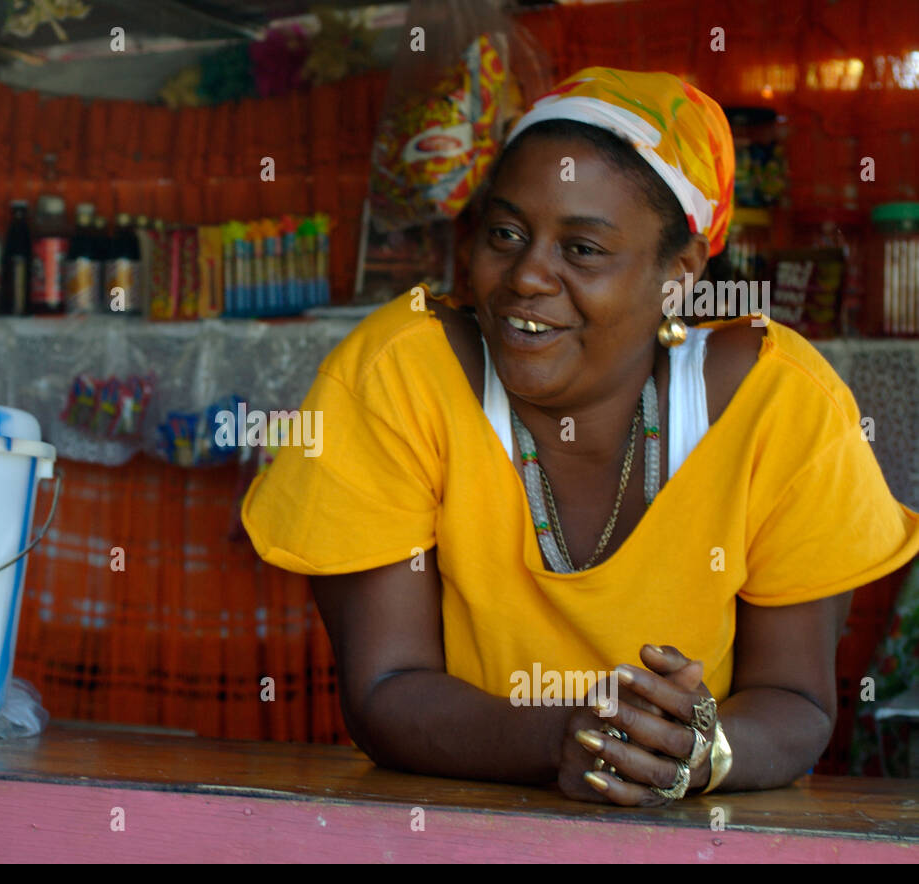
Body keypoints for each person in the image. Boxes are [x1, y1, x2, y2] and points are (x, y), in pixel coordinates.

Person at [241, 67, 919, 806]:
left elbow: (797, 701)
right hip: (447, 833)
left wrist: (701, 751)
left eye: (583, 249)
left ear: (679, 277)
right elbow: (385, 689)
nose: (528, 275)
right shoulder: (399, 377)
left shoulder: (781, 404)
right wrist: (575, 740)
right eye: (506, 233)